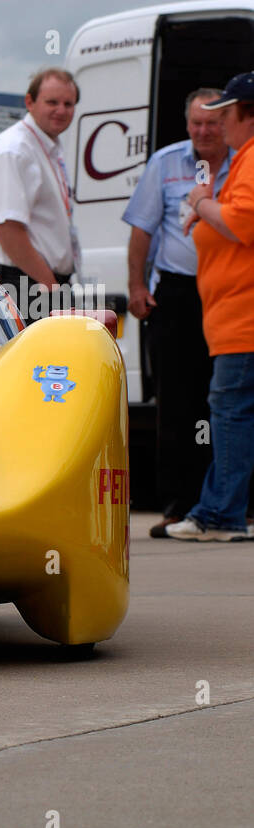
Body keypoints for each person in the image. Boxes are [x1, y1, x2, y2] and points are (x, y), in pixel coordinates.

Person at [123, 88, 231, 537]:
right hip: (179, 295)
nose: (204, 131)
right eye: (196, 123)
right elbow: (143, 230)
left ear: (228, 123)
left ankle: (230, 500)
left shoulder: (243, 162)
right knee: (177, 403)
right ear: (186, 124)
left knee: (227, 401)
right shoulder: (165, 163)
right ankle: (178, 504)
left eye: (212, 122)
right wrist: (135, 285)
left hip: (230, 292)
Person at [167, 72, 254, 541]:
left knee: (231, 417)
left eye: (226, 114)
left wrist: (201, 203)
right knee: (232, 417)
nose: (219, 125)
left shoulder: (252, 157)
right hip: (235, 318)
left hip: (244, 319)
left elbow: (241, 222)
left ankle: (221, 514)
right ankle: (216, 510)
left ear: (244, 113)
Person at [0, 68, 80, 321]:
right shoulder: (13, 150)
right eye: (52, 102)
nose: (62, 110)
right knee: (38, 359)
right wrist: (52, 287)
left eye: (68, 103)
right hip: (23, 283)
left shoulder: (46, 147)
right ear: (30, 102)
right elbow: (7, 229)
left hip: (38, 282)